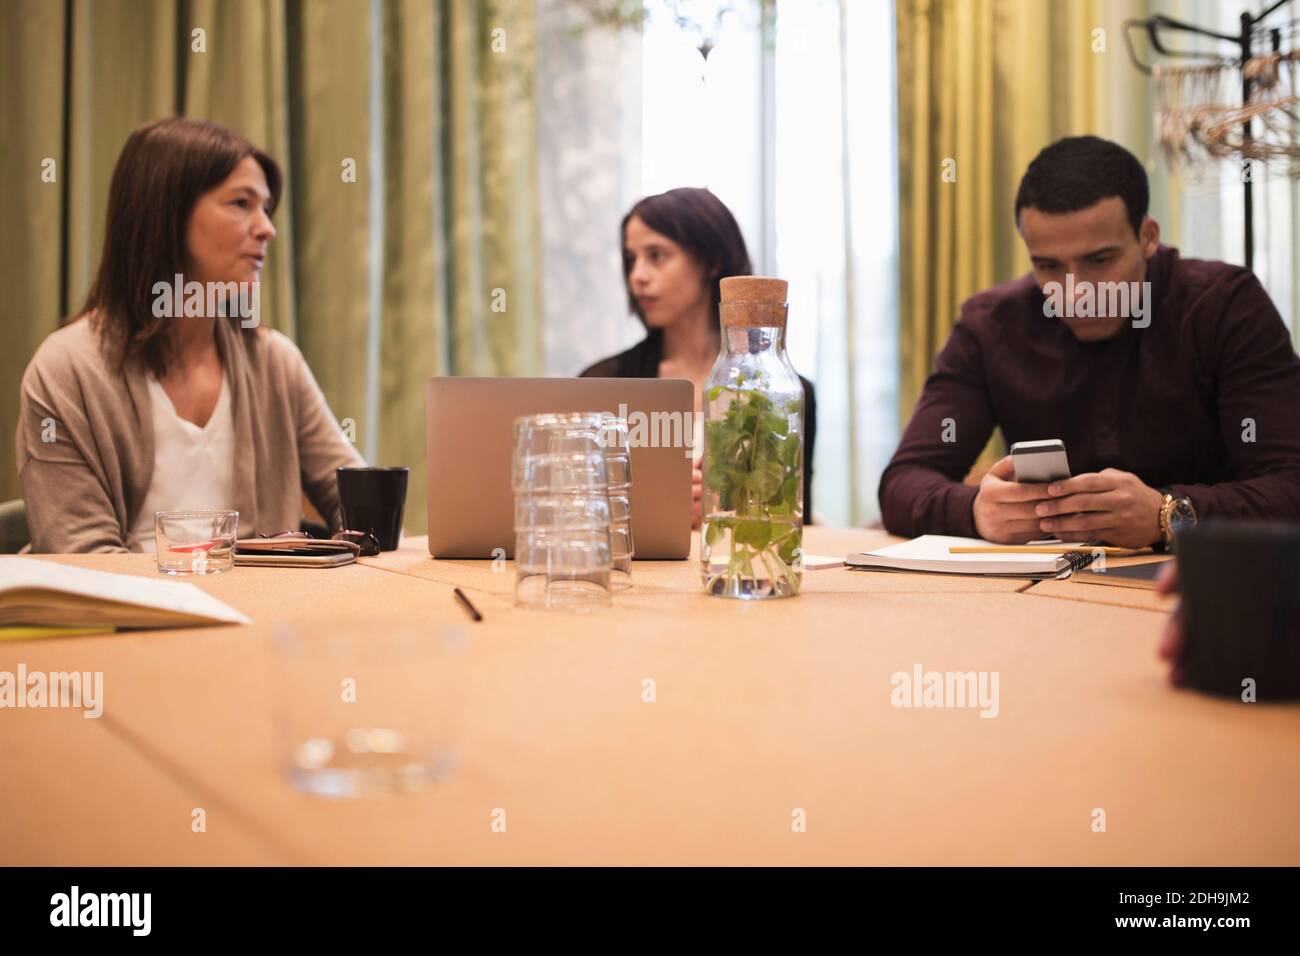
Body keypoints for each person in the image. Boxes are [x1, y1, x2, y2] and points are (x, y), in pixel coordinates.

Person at [879, 135, 1300, 548]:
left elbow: (1290, 484)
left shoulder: (1225, 307)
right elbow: (904, 480)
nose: (1076, 292)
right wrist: (975, 511)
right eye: (1049, 266)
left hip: (1205, 590)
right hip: (1046, 599)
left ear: (1148, 237)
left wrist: (1168, 513)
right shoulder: (991, 326)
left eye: (1099, 260)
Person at [16, 117, 364, 553]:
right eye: (241, 203)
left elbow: (359, 505)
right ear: (165, 213)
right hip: (131, 619)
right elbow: (84, 561)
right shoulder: (66, 370)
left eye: (266, 208)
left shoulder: (275, 360)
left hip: (264, 615)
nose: (267, 228)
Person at [580, 187, 818, 527]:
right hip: (643, 574)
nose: (638, 276)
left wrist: (724, 506)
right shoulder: (602, 383)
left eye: (656, 255)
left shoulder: (786, 392)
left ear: (711, 261)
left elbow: (793, 517)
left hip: (734, 573)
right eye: (632, 259)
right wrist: (656, 507)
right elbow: (580, 505)